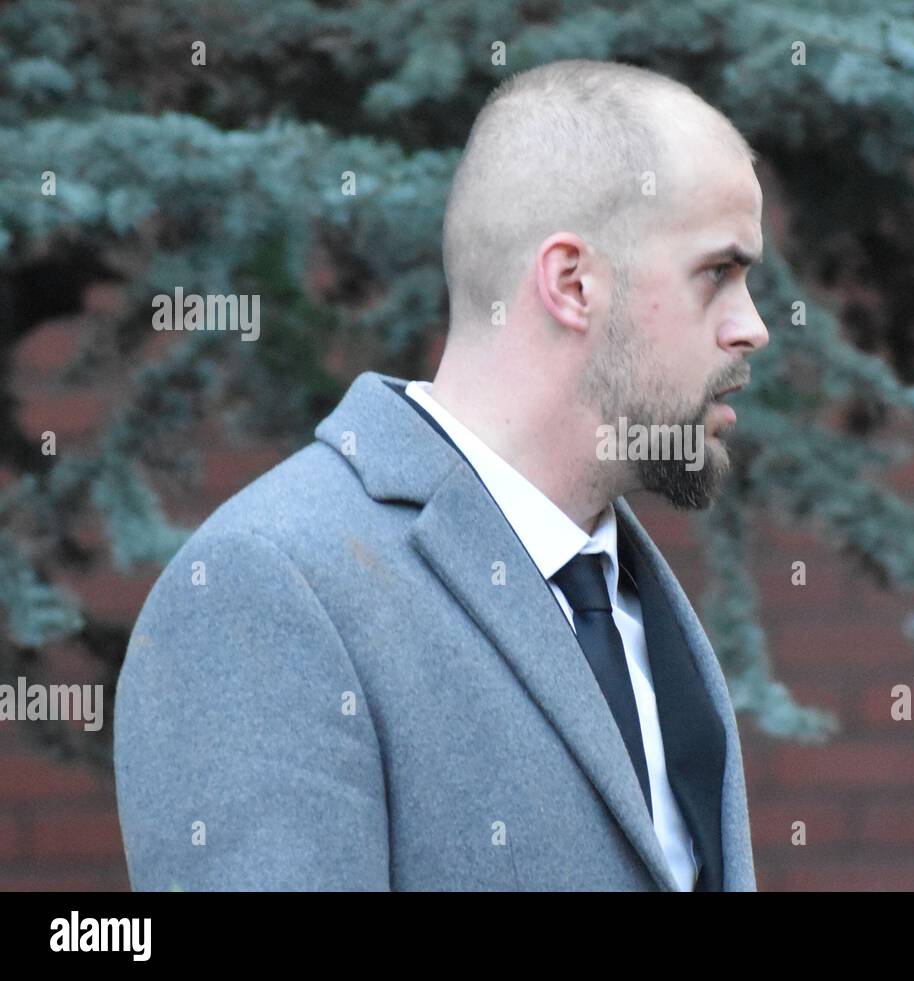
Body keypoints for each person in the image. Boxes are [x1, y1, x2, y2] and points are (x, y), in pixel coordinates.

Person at [113, 58, 770, 891]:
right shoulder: (267, 588)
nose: (752, 327)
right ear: (573, 283)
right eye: (718, 273)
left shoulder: (628, 593)